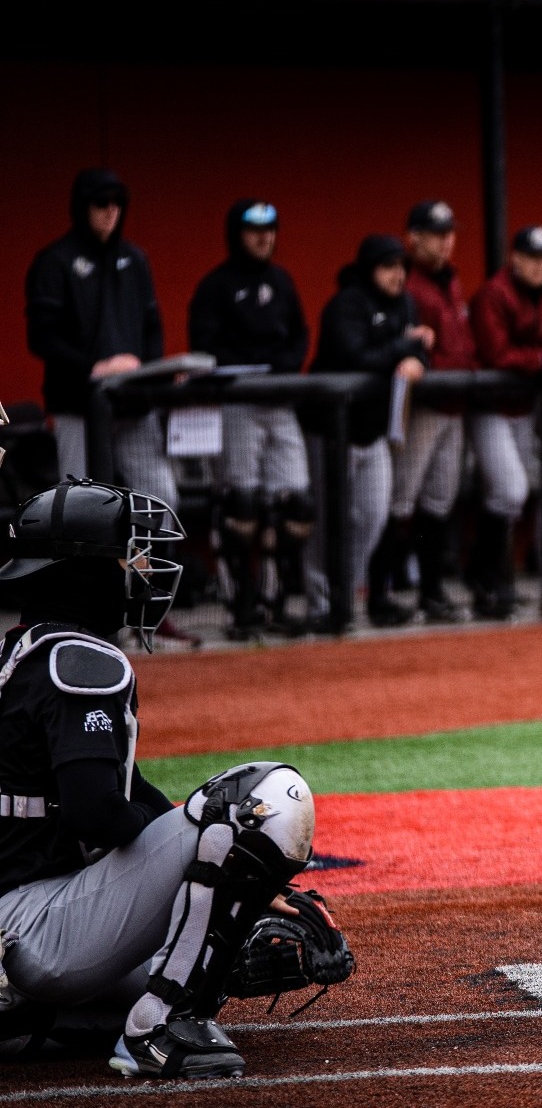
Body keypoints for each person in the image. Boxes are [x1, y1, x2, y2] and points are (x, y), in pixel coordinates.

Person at [0, 479, 349, 1078]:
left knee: (211, 935)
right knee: (263, 800)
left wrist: (234, 888)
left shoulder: (22, 653)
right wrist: (219, 869)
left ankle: (40, 1024)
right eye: (125, 554)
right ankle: (155, 1029)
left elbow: (131, 798)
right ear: (80, 571)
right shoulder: (82, 660)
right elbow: (96, 814)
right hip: (37, 931)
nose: (140, 568)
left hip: (16, 932)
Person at [186, 200, 314, 638]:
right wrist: (252, 362)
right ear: (236, 234)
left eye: (271, 229)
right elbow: (203, 344)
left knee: (296, 502)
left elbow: (300, 334)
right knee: (241, 505)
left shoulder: (281, 281)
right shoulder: (216, 286)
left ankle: (276, 601)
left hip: (280, 402)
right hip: (237, 403)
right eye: (254, 230)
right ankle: (239, 604)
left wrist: (283, 363)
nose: (264, 238)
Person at [25, 170, 177, 515]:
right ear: (82, 206)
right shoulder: (55, 261)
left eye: (118, 203)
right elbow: (41, 336)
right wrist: (93, 368)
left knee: (159, 500)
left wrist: (152, 370)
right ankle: (84, 571)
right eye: (101, 203)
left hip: (133, 404)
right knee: (79, 507)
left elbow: (152, 326)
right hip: (77, 405)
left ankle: (145, 568)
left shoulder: (135, 259)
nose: (111, 211)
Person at [310, 234, 432, 626]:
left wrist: (415, 358)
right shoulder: (346, 304)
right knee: (326, 519)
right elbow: (354, 356)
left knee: (373, 516)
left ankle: (346, 593)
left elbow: (420, 347)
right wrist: (403, 348)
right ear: (369, 268)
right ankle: (320, 602)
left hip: (374, 430)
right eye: (388, 267)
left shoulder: (405, 303)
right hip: (329, 432)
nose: (397, 275)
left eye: (402, 267)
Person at [467, 226, 542, 620]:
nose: (538, 266)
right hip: (489, 408)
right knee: (510, 491)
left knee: (517, 491)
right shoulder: (494, 294)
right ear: (515, 258)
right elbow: (496, 353)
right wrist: (541, 361)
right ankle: (486, 579)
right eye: (531, 257)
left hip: (524, 409)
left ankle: (493, 581)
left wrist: (539, 355)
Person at [388, 200, 476, 624]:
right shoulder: (408, 286)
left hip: (453, 407)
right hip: (421, 408)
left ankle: (431, 590)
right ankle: (385, 590)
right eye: (435, 233)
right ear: (414, 237)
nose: (445, 241)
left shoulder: (450, 281)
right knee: (402, 497)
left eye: (449, 232)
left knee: (439, 501)